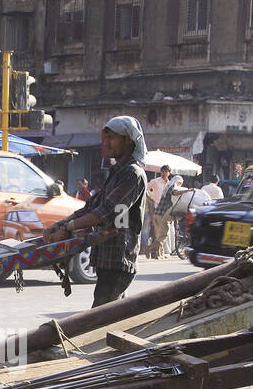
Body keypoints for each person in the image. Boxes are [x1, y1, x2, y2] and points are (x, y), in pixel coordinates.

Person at [41, 116, 147, 307]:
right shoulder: (117, 173)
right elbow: (91, 207)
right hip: (107, 259)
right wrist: (58, 225)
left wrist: (68, 228)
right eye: (105, 138)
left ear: (128, 140)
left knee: (98, 319)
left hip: (118, 259)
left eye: (112, 138)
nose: (106, 143)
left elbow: (105, 212)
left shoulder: (133, 174)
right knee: (112, 318)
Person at [146, 165, 174, 259]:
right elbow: (145, 188)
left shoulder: (170, 184)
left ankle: (159, 252)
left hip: (166, 210)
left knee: (163, 232)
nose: (164, 173)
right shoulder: (155, 181)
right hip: (156, 209)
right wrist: (150, 198)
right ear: (160, 172)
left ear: (169, 173)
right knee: (157, 231)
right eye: (163, 171)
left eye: (166, 172)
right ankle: (154, 253)